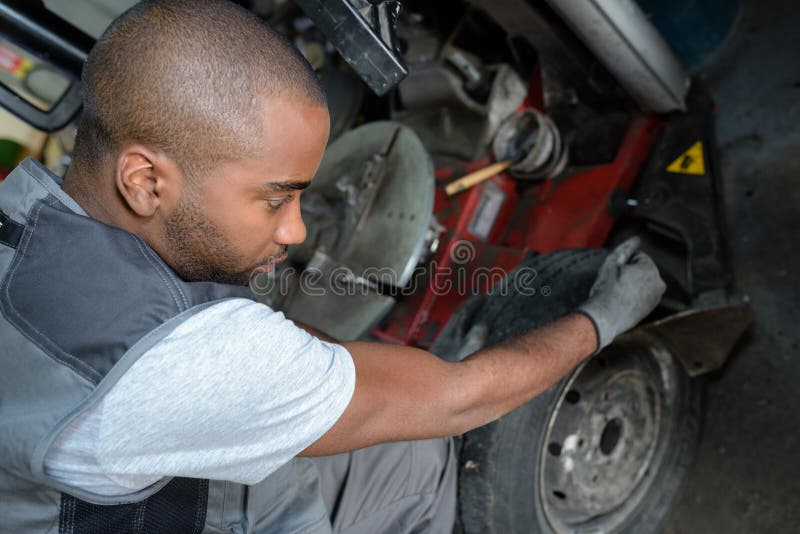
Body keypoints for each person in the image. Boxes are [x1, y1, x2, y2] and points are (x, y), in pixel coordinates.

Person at [0, 1, 666, 532]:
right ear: (144, 180)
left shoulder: (23, 213)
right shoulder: (167, 368)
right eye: (273, 198)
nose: (293, 230)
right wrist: (600, 319)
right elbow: (460, 397)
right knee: (422, 462)